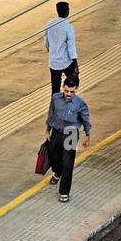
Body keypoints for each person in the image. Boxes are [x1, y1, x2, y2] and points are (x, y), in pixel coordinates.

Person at [45, 75, 92, 203]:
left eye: (71, 91)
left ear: (76, 89)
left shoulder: (80, 104)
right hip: (56, 131)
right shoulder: (55, 98)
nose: (68, 94)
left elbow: (86, 120)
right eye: (66, 91)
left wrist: (87, 135)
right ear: (63, 88)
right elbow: (51, 114)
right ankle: (57, 172)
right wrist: (47, 130)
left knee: (68, 163)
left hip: (71, 133)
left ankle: (64, 192)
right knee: (54, 158)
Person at [45, 0, 79, 93]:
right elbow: (71, 48)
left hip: (54, 62)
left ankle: (54, 106)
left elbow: (46, 44)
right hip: (66, 62)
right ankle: (70, 103)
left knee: (55, 89)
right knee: (73, 84)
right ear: (67, 11)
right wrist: (76, 65)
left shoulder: (49, 24)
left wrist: (53, 52)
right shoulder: (68, 27)